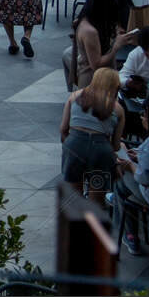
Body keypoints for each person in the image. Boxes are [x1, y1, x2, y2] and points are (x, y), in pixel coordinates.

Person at [59, 67, 125, 206]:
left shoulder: (74, 97)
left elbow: (63, 129)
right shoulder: (118, 109)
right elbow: (115, 146)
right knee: (97, 201)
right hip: (101, 151)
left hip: (74, 145)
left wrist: (70, 146)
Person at [70, 0, 137, 89]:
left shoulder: (85, 20)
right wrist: (116, 46)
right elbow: (96, 64)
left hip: (99, 79)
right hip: (94, 82)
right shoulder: (90, 31)